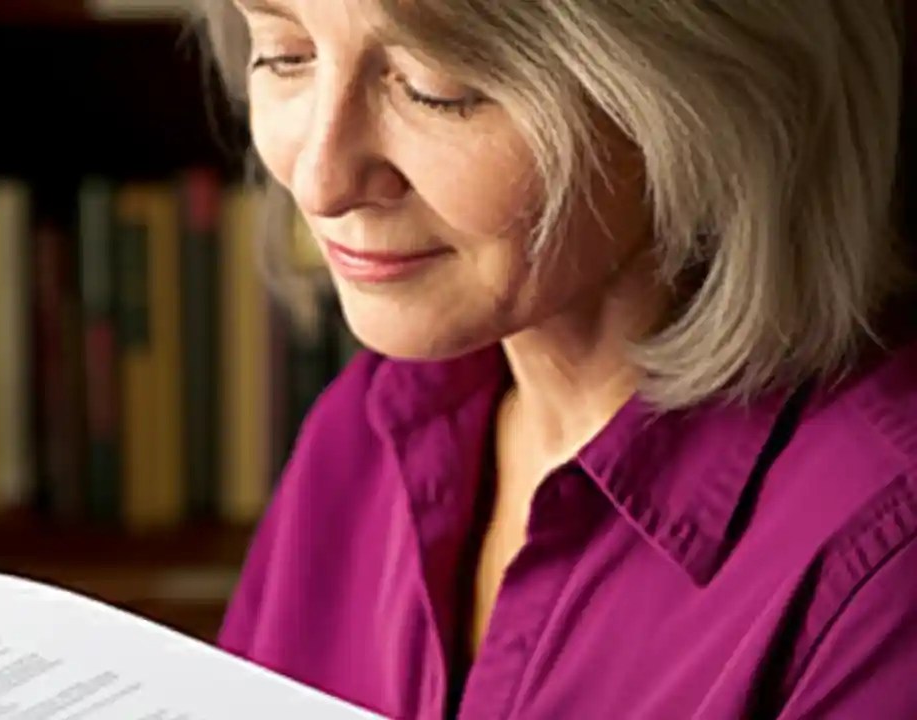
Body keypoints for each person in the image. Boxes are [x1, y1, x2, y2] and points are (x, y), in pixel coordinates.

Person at [194, 0, 916, 718]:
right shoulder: (363, 430)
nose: (322, 182)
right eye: (286, 54)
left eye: (437, 87)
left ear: (705, 95)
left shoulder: (883, 562)